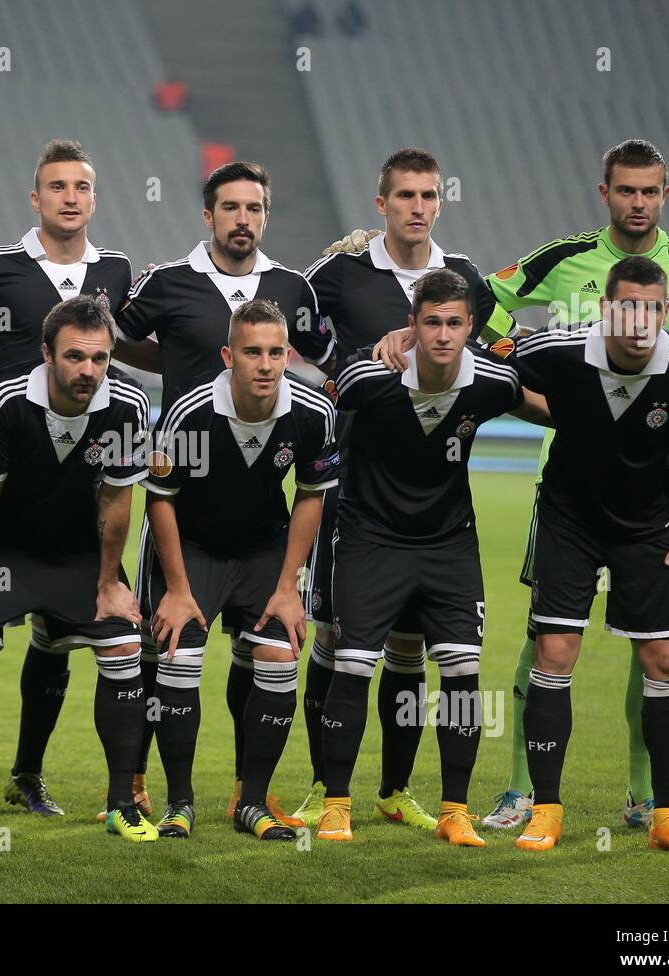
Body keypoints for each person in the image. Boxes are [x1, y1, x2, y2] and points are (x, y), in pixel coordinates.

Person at [347, 140, 669, 832]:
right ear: (605, 193)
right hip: (563, 487)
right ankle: (523, 792)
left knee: (652, 643)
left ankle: (646, 795)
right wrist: (508, 359)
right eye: (626, 190)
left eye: (650, 191)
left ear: (666, 194)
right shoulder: (563, 260)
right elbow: (480, 303)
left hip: (657, 484)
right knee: (547, 639)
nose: (638, 202)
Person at [294, 147, 506, 830]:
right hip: (349, 491)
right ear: (380, 203)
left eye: (429, 195)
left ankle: (393, 789)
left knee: (412, 649)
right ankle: (327, 791)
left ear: (440, 201)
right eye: (405, 196)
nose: (418, 206)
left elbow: (500, 349)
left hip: (431, 497)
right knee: (333, 640)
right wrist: (337, 369)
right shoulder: (340, 270)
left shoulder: (465, 278)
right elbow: (283, 311)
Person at [115, 160, 334, 823]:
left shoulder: (293, 289)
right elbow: (111, 339)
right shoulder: (169, 283)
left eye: (255, 208)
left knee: (260, 651)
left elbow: (330, 357)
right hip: (185, 493)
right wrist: (176, 358)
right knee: (167, 649)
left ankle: (249, 790)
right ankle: (143, 788)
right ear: (208, 215)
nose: (244, 218)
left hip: (259, 513)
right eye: (231, 207)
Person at [504, 256, 669, 857]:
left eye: (652, 308)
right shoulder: (557, 350)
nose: (639, 319)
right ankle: (545, 811)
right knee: (554, 650)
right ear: (605, 308)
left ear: (664, 311)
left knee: (665, 658)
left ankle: (668, 817)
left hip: (650, 526)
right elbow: (485, 367)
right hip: (567, 518)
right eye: (627, 306)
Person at [319, 269, 549, 844]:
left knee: (463, 673)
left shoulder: (491, 381)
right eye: (431, 323)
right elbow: (315, 410)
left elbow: (548, 405)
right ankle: (336, 805)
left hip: (448, 545)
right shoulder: (368, 378)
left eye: (453, 323)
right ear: (412, 326)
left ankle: (454, 811)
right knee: (352, 667)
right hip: (369, 539)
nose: (443, 334)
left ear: (471, 326)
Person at [0, 295, 156, 842]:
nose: (88, 371)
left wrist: (107, 585)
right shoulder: (6, 398)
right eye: (75, 357)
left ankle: (123, 803)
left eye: (99, 359)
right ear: (46, 354)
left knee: (122, 644)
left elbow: (117, 503)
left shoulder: (129, 404)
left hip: (72, 545)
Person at [0, 140, 135, 818]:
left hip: (83, 491)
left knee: (60, 636)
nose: (70, 197)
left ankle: (27, 775)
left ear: (94, 199)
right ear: (35, 198)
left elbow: (145, 345)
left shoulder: (120, 272)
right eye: (57, 186)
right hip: (7, 482)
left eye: (81, 187)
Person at [143, 299, 338, 840]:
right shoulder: (189, 410)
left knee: (278, 657)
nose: (266, 364)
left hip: (262, 550)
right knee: (179, 656)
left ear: (289, 355)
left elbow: (310, 495)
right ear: (229, 355)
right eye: (252, 352)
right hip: (195, 546)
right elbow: (160, 498)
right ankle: (179, 804)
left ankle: (251, 802)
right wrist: (179, 590)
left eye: (276, 352)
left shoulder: (312, 413)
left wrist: (287, 588)